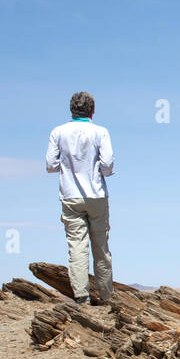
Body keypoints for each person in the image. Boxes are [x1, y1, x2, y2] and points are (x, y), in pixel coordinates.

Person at [45, 91, 115, 305]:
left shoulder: (58, 132)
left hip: (69, 194)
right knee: (101, 247)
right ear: (92, 111)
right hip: (96, 194)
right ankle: (106, 297)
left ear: (72, 110)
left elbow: (50, 165)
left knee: (76, 246)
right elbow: (108, 163)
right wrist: (101, 171)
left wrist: (66, 167)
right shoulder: (100, 132)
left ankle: (81, 296)